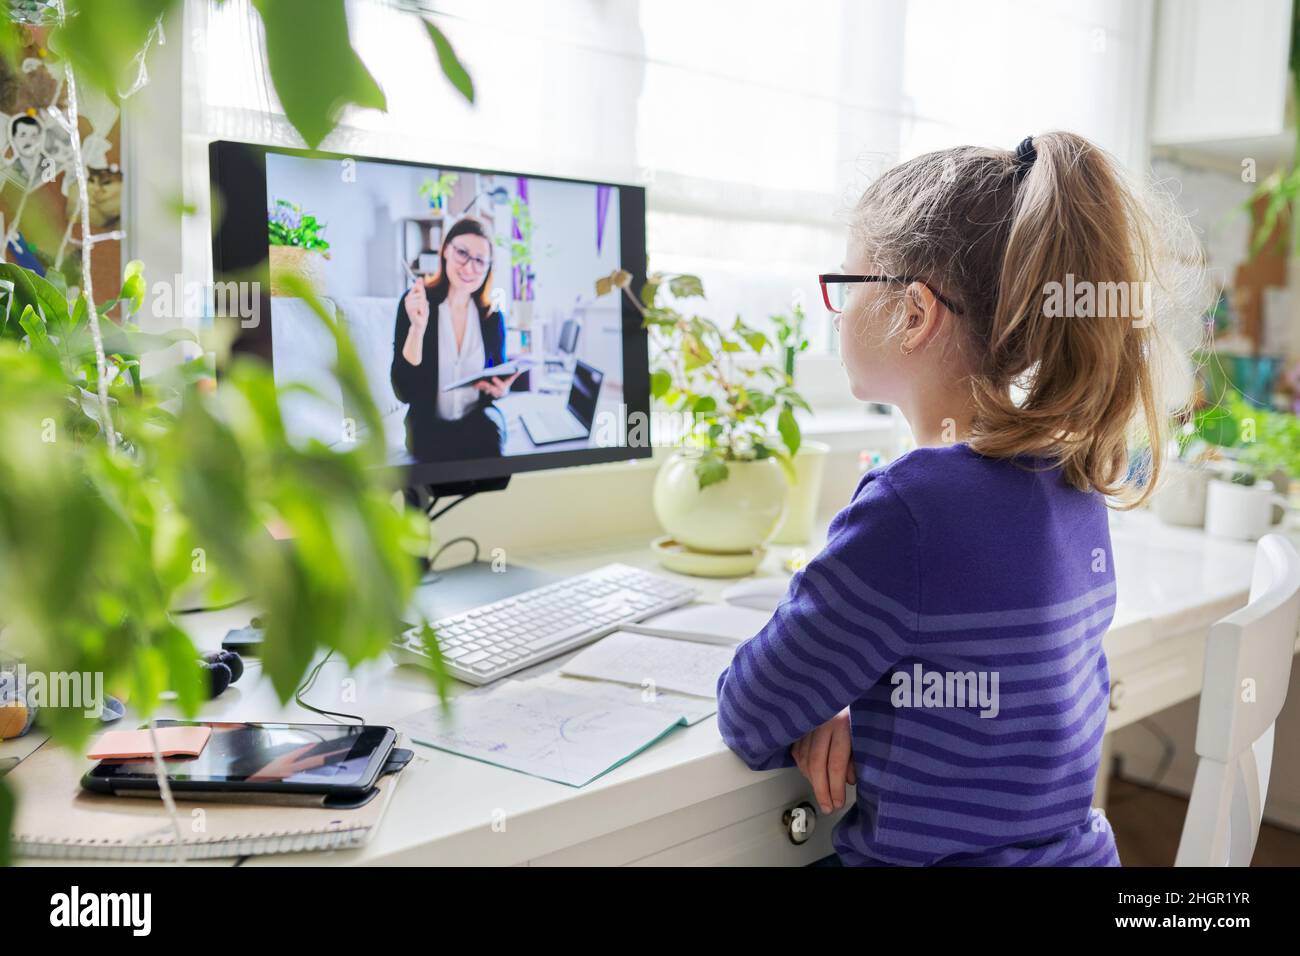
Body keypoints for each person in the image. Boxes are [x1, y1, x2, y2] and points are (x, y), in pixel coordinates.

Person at [716, 132, 1201, 866]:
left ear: (914, 315)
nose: (836, 314)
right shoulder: (1073, 480)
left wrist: (826, 697)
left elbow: (749, 712)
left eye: (844, 289)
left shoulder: (907, 511)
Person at [390, 217, 519, 462]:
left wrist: (500, 390)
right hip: (428, 427)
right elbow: (403, 391)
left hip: (477, 423)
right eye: (462, 253)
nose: (470, 268)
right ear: (446, 250)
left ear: (489, 267)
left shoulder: (493, 318)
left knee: (493, 451)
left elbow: (495, 382)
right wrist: (417, 328)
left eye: (480, 260)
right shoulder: (415, 303)